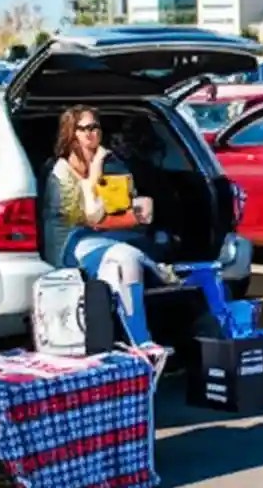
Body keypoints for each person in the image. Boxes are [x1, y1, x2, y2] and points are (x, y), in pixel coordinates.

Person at [44, 106, 171, 346]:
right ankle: (159, 274)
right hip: (69, 245)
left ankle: (138, 342)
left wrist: (138, 205)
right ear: (71, 134)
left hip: (100, 240)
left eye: (95, 127)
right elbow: (91, 216)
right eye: (84, 129)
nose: (91, 134)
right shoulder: (59, 174)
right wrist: (95, 172)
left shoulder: (110, 165)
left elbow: (120, 201)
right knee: (126, 257)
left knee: (128, 260)